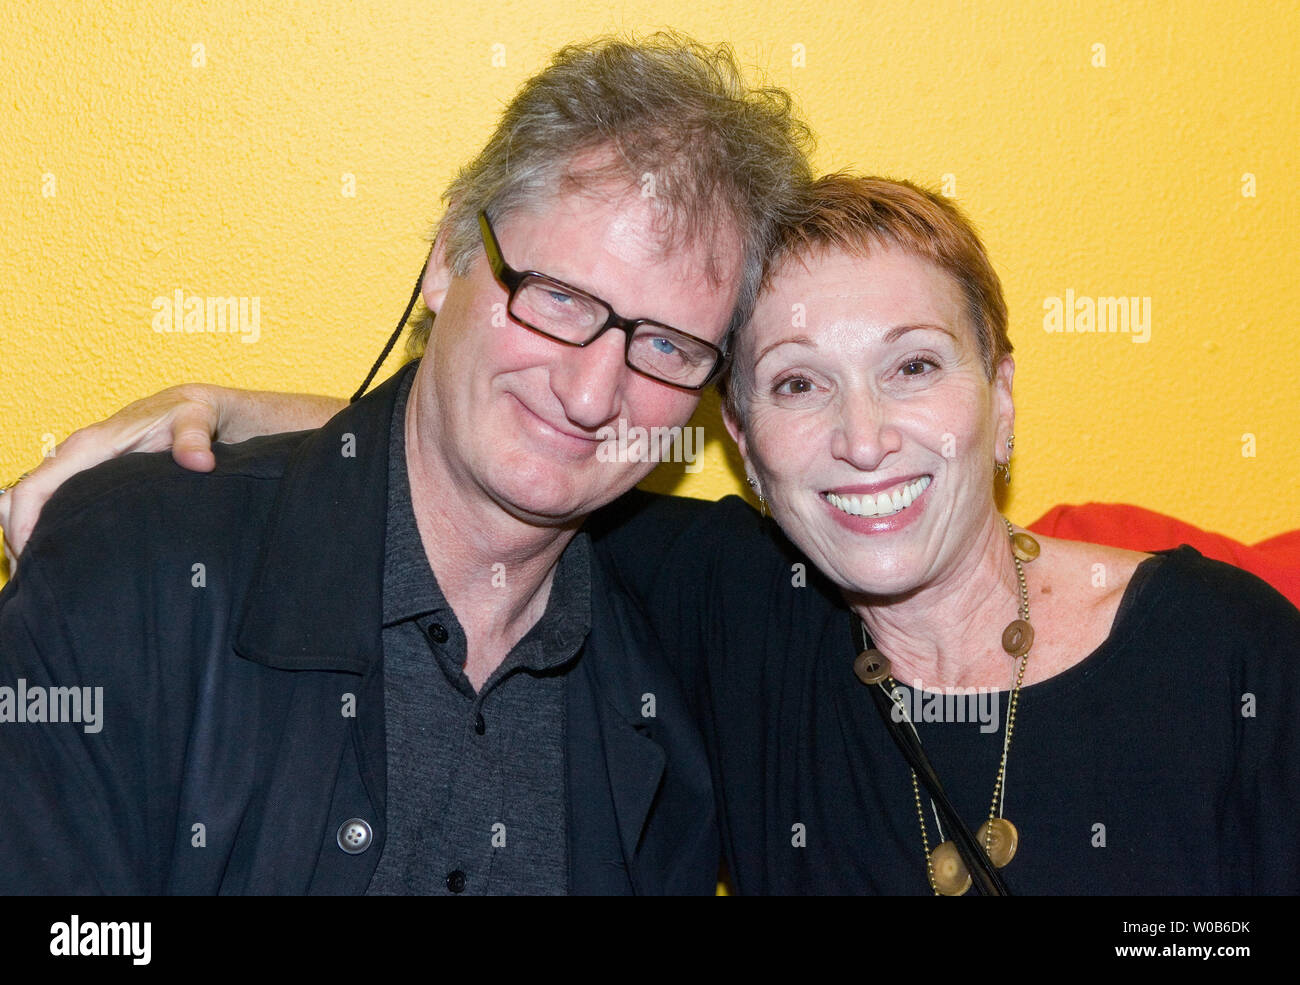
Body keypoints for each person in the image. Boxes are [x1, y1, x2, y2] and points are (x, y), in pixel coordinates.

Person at [17, 171, 1300, 897]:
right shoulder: (741, 610)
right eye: (798, 383)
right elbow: (506, 452)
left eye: (913, 367)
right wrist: (238, 411)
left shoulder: (1223, 651)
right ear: (740, 434)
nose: (862, 439)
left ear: (1002, 396)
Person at [0, 33, 814, 894]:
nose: (590, 392)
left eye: (666, 344)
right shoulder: (136, 568)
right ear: (445, 257)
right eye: (558, 297)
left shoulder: (679, 678)